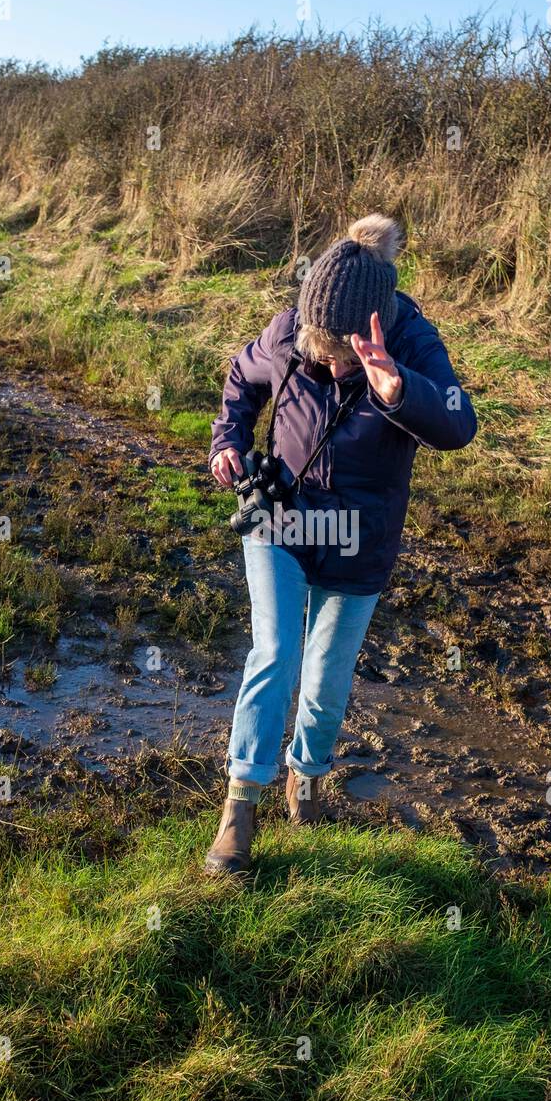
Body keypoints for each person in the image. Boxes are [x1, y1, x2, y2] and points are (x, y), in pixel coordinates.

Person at [204, 214, 477, 875]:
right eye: (315, 350)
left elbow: (458, 423)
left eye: (338, 355)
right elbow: (241, 382)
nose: (324, 363)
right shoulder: (292, 328)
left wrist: (399, 389)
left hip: (360, 535)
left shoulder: (411, 339)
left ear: (369, 333)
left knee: (326, 676)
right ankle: (239, 808)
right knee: (274, 651)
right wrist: (228, 441)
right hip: (282, 521)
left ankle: (308, 779)